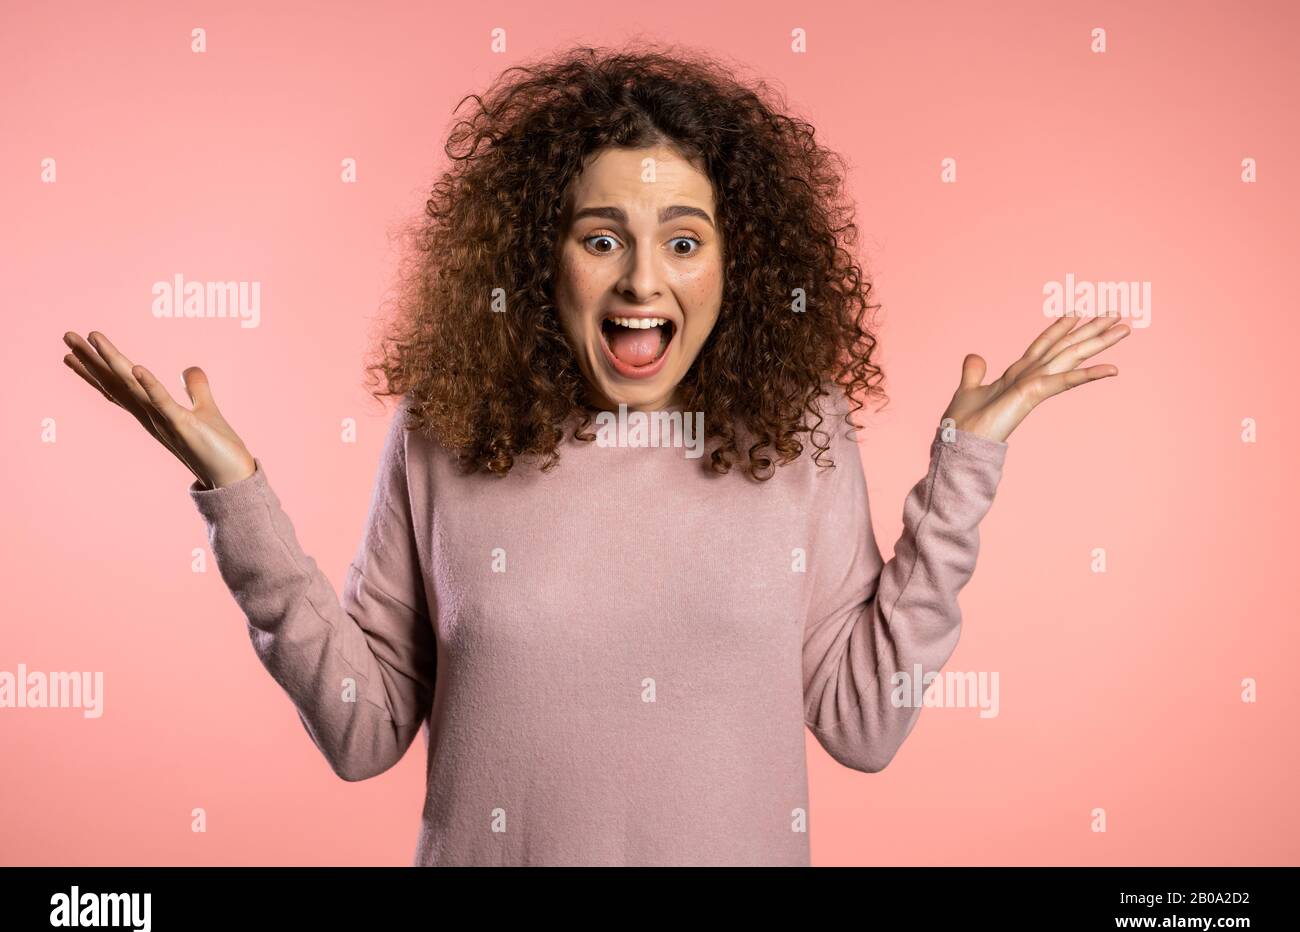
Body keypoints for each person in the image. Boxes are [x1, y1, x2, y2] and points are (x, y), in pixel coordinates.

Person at [59, 44, 1129, 866]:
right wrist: (237, 497)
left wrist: (965, 468)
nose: (642, 282)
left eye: (684, 240)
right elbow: (363, 730)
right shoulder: (446, 432)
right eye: (602, 237)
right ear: (544, 256)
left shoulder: (800, 432)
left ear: (736, 264)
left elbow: (864, 722)